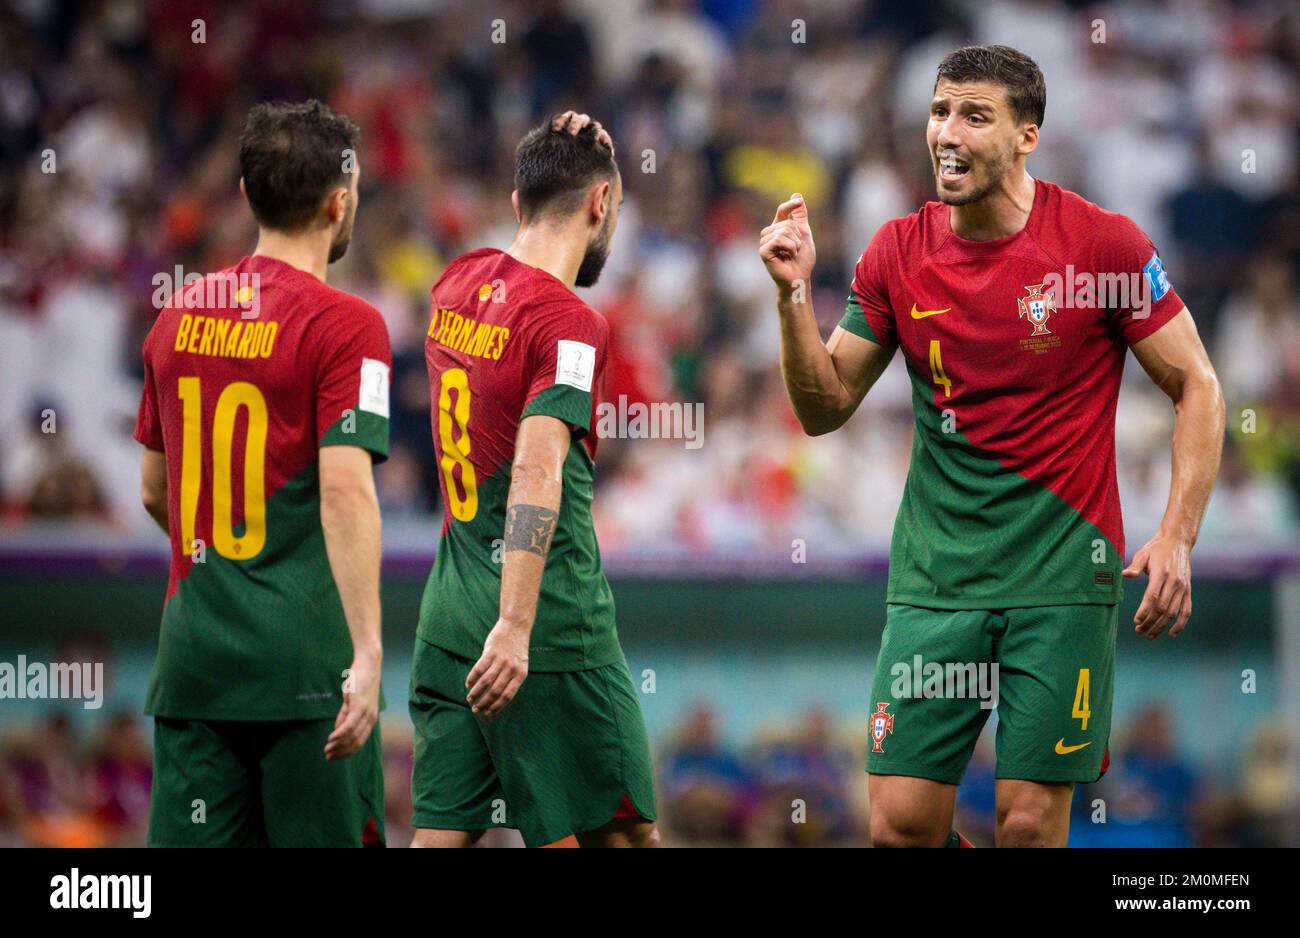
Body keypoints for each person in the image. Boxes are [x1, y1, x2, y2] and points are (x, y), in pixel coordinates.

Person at [759, 45, 1225, 847]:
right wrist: (795, 294)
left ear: (1026, 136)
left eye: (975, 116)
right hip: (937, 579)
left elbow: (1200, 388)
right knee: (900, 827)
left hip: (1062, 580)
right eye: (940, 111)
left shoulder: (1101, 247)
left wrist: (1177, 537)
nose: (948, 132)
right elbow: (824, 406)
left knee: (1025, 822)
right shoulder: (897, 252)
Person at [134, 100, 390, 847]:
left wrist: (223, 556)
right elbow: (345, 489)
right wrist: (369, 652)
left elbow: (154, 491)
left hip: (194, 668)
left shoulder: (176, 314)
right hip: (309, 673)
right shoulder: (350, 327)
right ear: (339, 202)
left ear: (246, 195)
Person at [409, 112, 658, 848]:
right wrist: (516, 628)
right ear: (602, 205)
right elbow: (538, 466)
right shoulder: (572, 326)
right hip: (547, 628)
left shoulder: (452, 285)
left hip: (449, 619)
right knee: (626, 835)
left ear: (516, 204)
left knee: (439, 840)